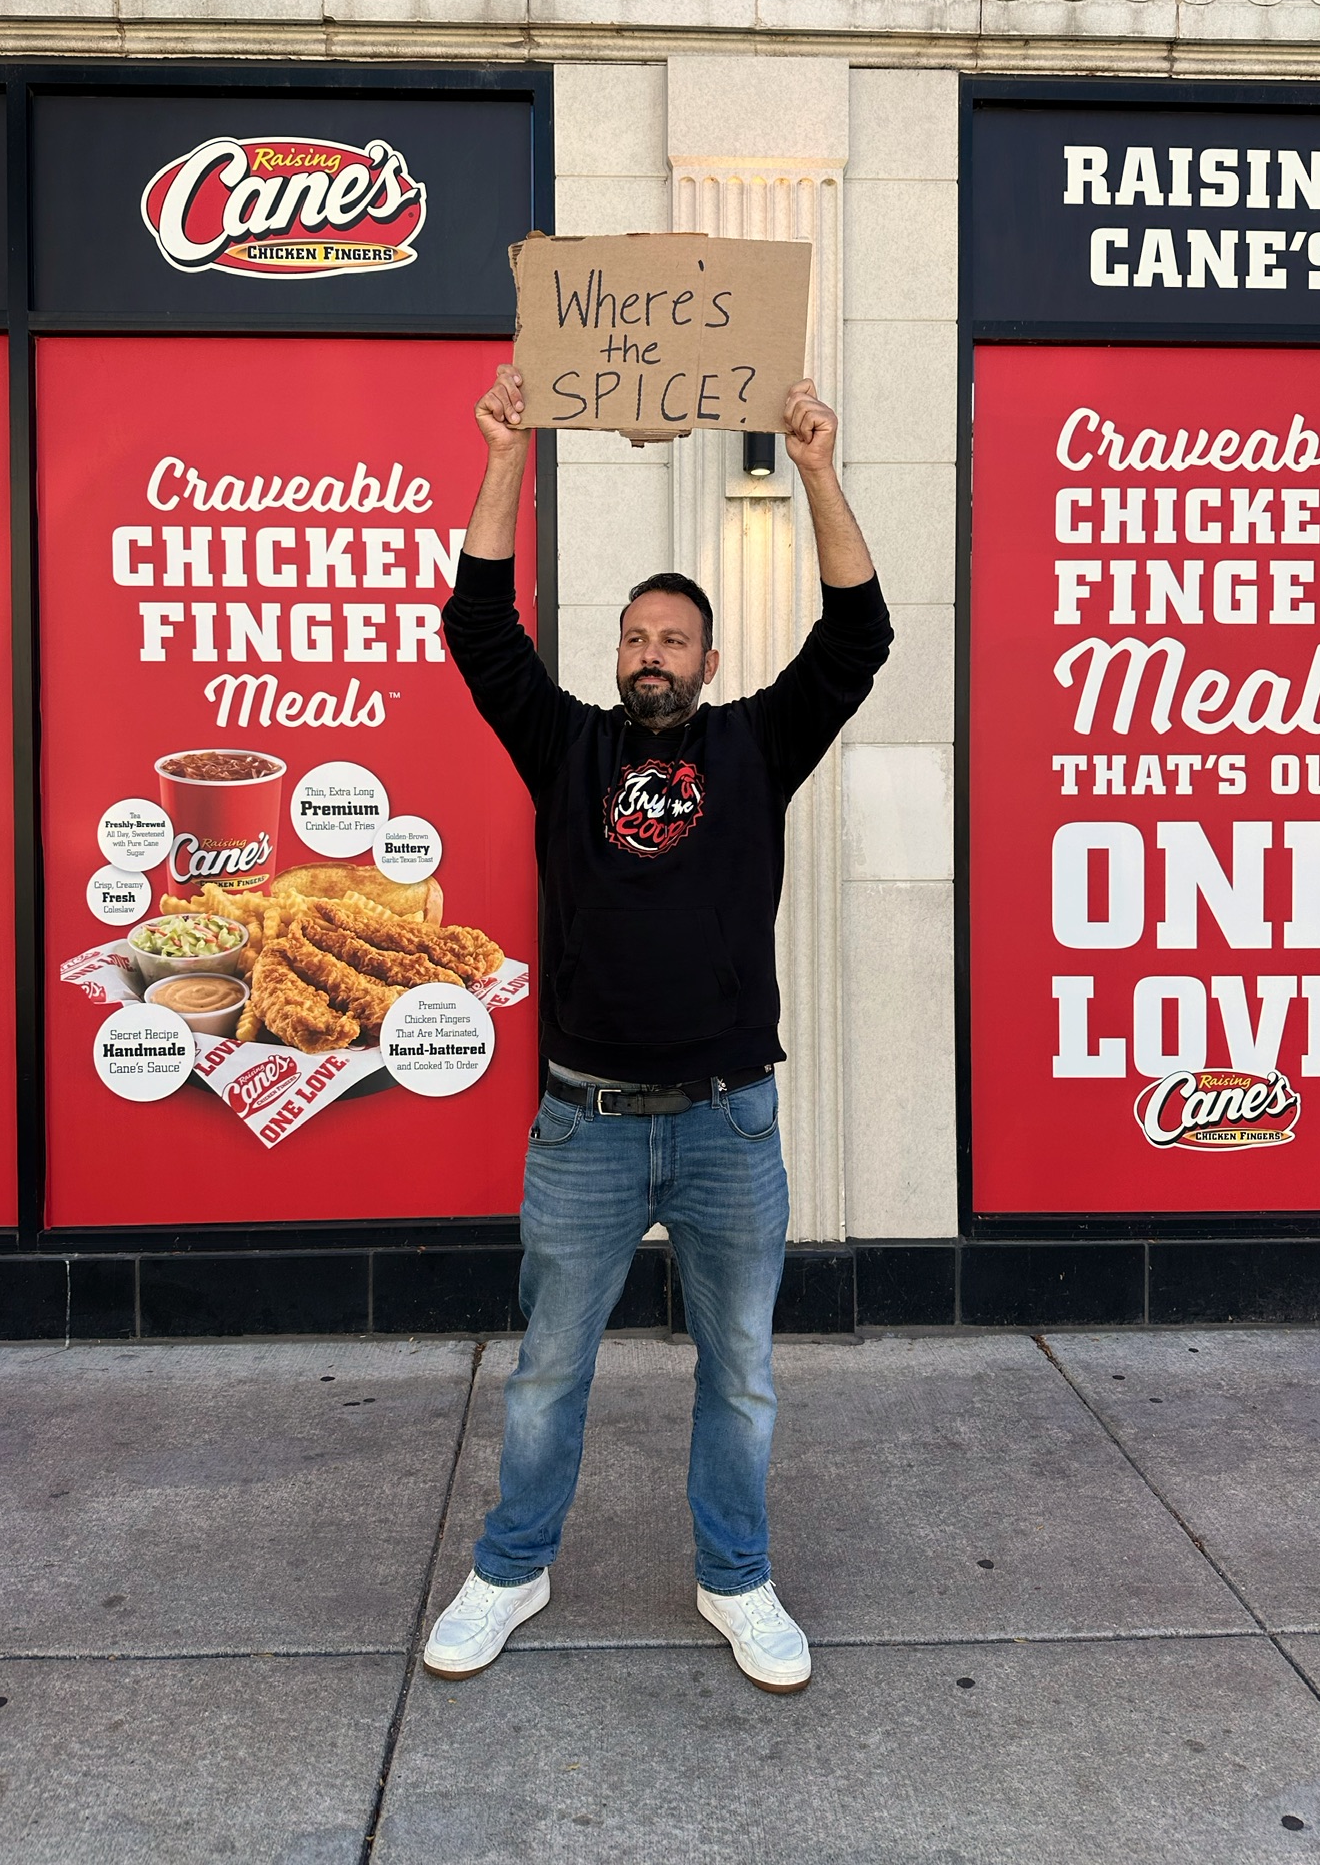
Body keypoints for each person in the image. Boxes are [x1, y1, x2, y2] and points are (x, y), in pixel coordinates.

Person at [422, 365, 892, 1695]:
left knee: (740, 1377)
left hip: (731, 1121)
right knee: (544, 1376)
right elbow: (477, 625)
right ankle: (515, 1567)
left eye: (673, 636)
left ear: (709, 658)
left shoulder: (756, 747)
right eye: (635, 634)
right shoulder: (564, 750)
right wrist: (507, 448)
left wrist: (813, 463)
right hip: (583, 1123)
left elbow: (860, 636)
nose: (650, 651)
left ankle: (734, 1577)